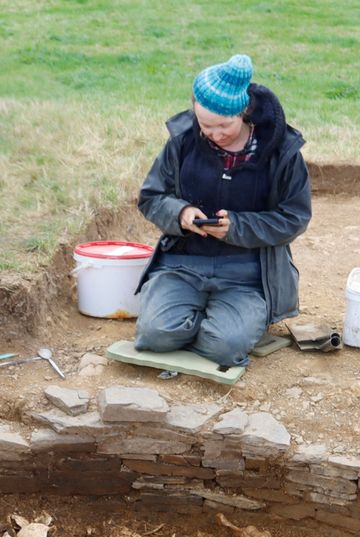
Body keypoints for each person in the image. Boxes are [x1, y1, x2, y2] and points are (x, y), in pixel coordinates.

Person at [133, 53, 311, 367]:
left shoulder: (282, 151)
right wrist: (181, 213)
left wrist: (237, 227)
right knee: (154, 335)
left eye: (224, 125)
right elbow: (151, 196)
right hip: (182, 266)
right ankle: (200, 315)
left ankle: (227, 322)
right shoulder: (182, 140)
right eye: (206, 125)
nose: (215, 134)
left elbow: (294, 217)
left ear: (244, 112)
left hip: (248, 274)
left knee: (226, 347)